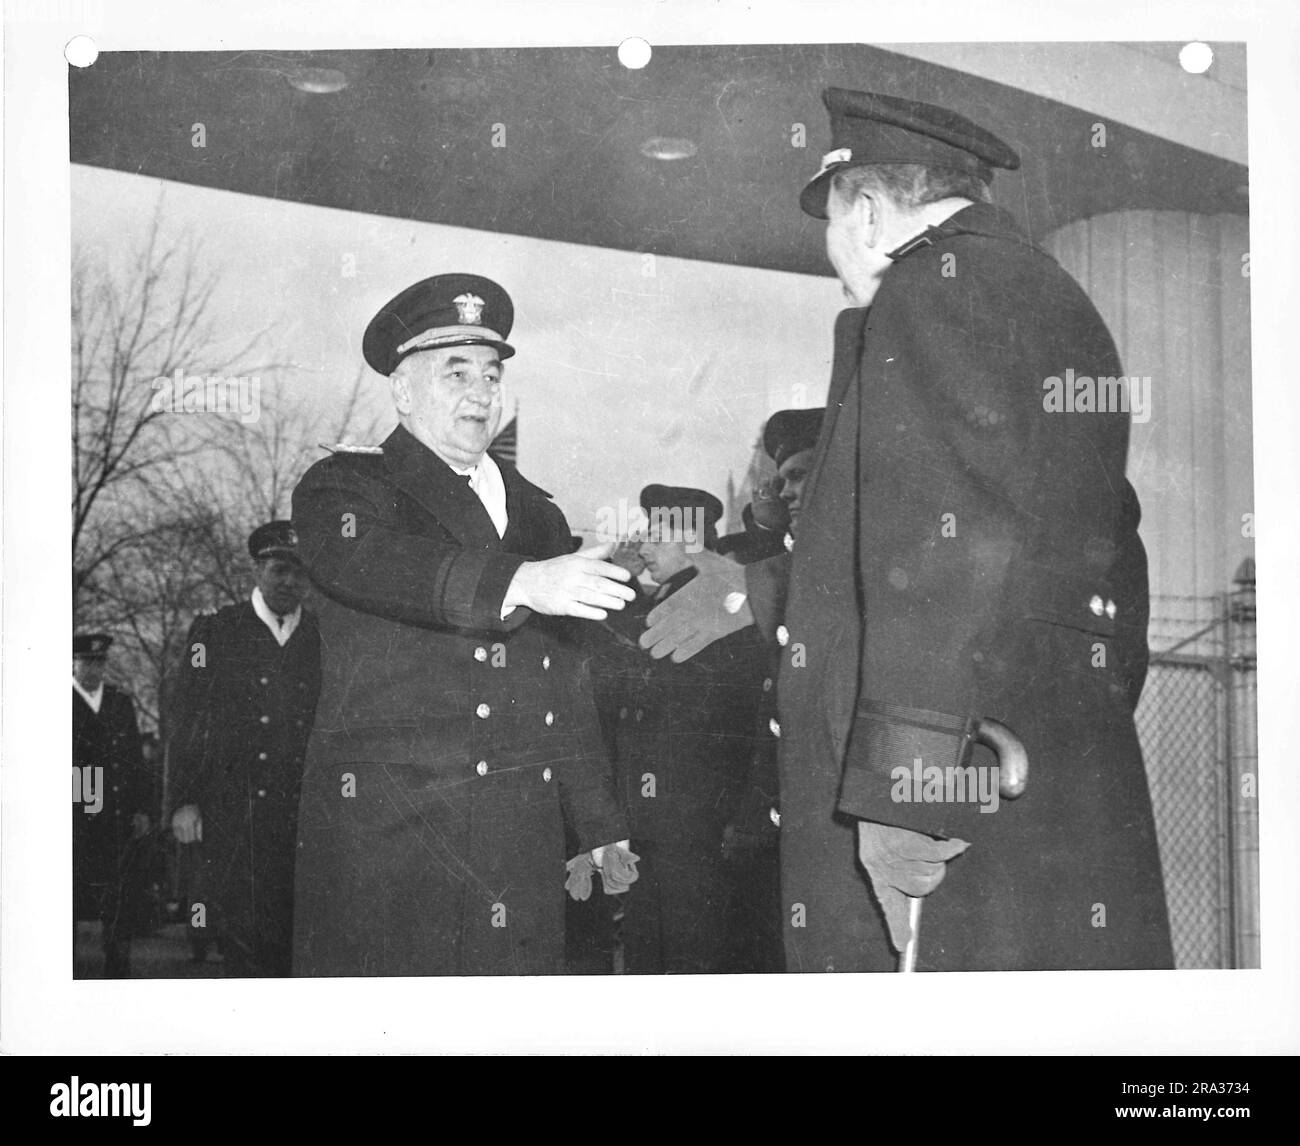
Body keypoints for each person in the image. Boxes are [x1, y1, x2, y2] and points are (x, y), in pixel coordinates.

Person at [642, 88, 1172, 973]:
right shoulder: (1056, 302)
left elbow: (940, 553)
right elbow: (1103, 550)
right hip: (1036, 785)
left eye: (833, 226)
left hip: (942, 820)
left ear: (872, 209)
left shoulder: (932, 294)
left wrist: (907, 788)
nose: (834, 260)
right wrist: (761, 590)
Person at [290, 273, 637, 977]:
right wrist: (524, 580)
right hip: (393, 837)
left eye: (491, 373)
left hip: (520, 837)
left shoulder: (537, 514)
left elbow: (562, 681)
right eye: (456, 373)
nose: (481, 392)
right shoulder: (347, 490)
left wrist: (596, 822)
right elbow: (378, 564)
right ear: (403, 391)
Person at [603, 484, 768, 973]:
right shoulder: (690, 596)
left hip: (694, 827)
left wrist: (618, 578)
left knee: (685, 957)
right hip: (672, 823)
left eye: (655, 534)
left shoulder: (714, 606)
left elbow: (636, 653)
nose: (643, 547)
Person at [168, 521, 322, 977]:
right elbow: (189, 717)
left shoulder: (318, 636)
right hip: (233, 812)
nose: (289, 582)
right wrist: (184, 800)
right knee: (240, 935)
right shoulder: (215, 631)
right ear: (257, 570)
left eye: (298, 573)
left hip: (297, 815)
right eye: (278, 570)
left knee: (289, 938)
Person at [719, 408, 824, 973]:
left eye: (802, 475)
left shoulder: (838, 573)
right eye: (782, 480)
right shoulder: (791, 565)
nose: (787, 490)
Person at [72, 633, 150, 977]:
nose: (93, 668)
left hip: (118, 820)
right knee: (71, 901)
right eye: (87, 661)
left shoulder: (119, 701)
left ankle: (118, 973)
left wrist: (142, 808)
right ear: (74, 662)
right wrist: (87, 804)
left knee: (119, 902)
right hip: (77, 821)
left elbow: (134, 759)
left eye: (99, 662)